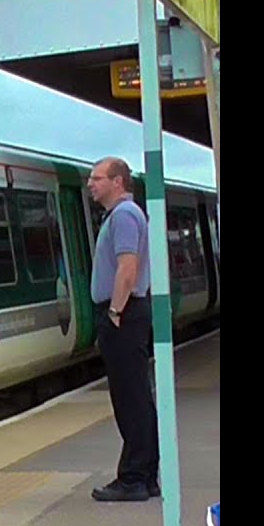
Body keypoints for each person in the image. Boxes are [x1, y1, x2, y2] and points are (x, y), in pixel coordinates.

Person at [85, 157, 160, 502]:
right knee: (135, 396)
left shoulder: (125, 216)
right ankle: (142, 475)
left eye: (96, 178)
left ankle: (134, 477)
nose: (90, 184)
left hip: (124, 314)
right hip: (127, 313)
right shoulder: (122, 216)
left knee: (130, 398)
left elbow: (127, 268)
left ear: (117, 182)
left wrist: (115, 310)